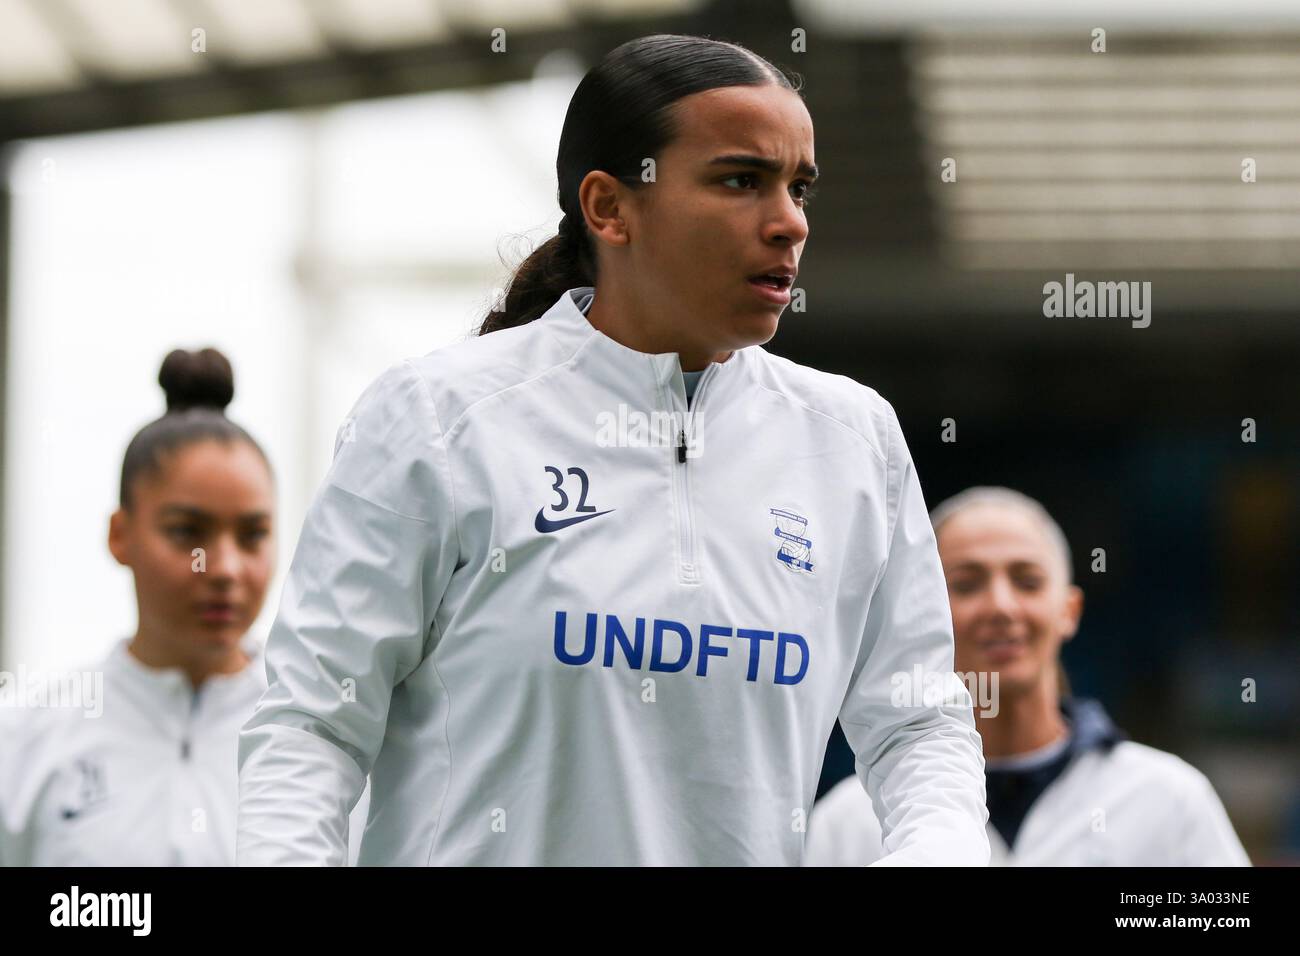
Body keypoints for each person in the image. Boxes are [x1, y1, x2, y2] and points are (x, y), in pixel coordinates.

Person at [237, 33, 988, 866]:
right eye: (741, 180)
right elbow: (313, 723)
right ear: (609, 207)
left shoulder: (853, 440)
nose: (789, 223)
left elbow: (918, 721)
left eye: (799, 187)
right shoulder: (437, 419)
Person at [805, 486, 1251, 866]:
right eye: (965, 584)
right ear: (923, 614)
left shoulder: (1170, 800)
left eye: (1028, 581)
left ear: (1069, 610)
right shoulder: (850, 821)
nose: (1001, 606)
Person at [1, 349, 278, 865]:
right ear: (120, 535)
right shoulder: (26, 736)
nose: (223, 568)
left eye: (252, 535)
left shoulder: (314, 736)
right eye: (187, 532)